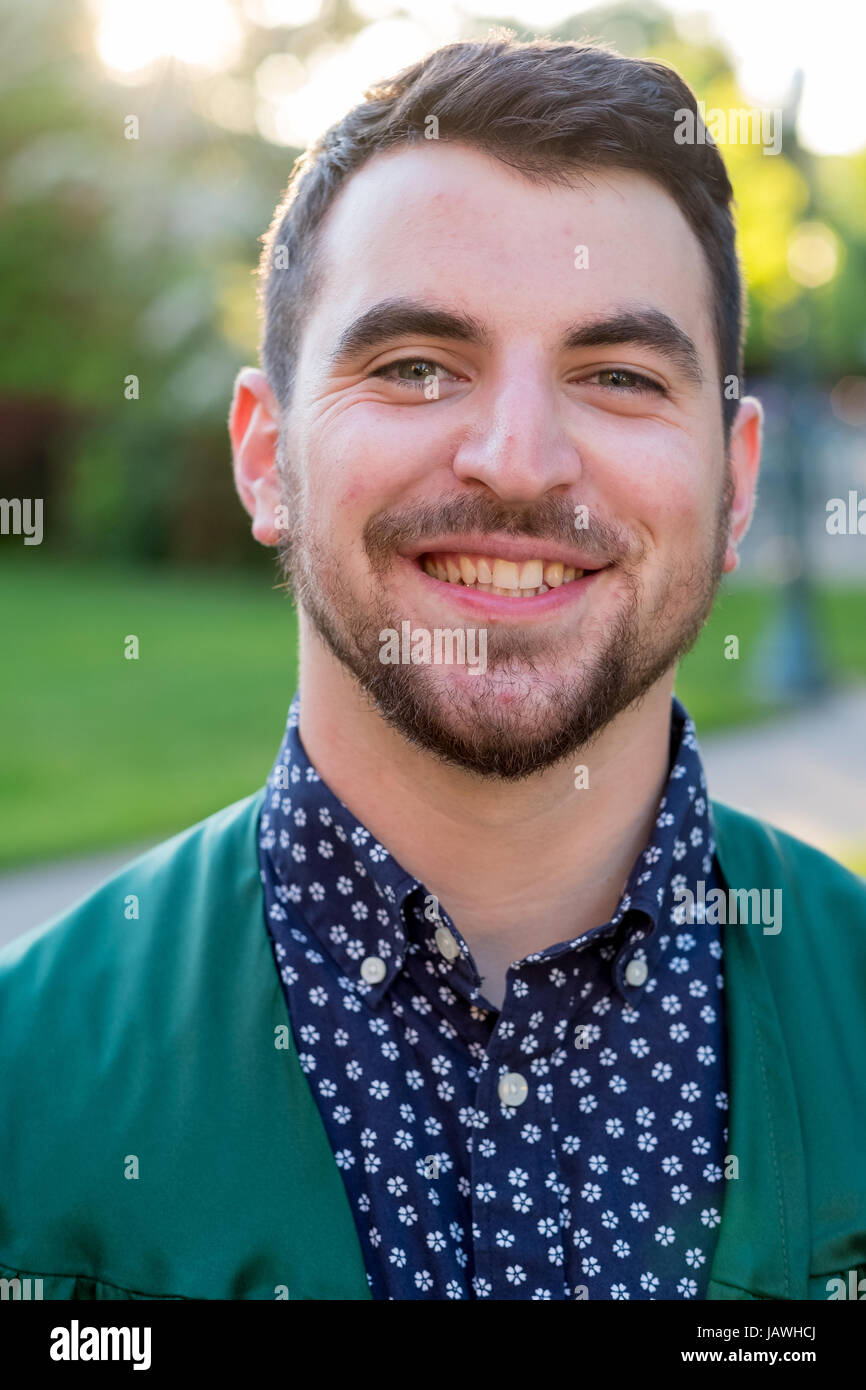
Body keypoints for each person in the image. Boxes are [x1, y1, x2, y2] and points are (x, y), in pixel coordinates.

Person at [2, 34, 864, 1303]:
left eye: (617, 376)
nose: (517, 460)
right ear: (264, 455)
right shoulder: (28, 1091)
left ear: (733, 481)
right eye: (414, 366)